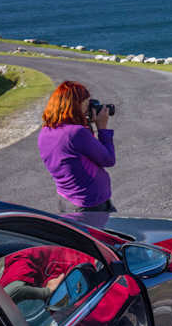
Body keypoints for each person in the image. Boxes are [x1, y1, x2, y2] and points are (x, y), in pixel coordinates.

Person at [37, 81, 116, 227]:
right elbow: (108, 159)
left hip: (67, 200)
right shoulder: (76, 133)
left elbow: (78, 155)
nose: (87, 110)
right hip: (90, 205)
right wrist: (102, 128)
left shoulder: (46, 131)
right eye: (86, 105)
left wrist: (87, 124)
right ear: (75, 106)